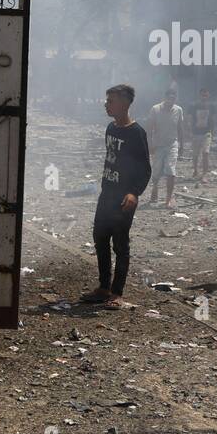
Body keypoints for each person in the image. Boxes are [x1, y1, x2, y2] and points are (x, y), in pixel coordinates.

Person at [82, 83, 151, 308]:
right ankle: (103, 287)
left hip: (124, 197)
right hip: (107, 193)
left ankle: (117, 292)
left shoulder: (136, 133)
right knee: (100, 238)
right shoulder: (111, 128)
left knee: (120, 244)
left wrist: (134, 193)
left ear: (124, 103)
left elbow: (145, 168)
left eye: (110, 101)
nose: (106, 105)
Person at [146, 86, 185, 206]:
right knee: (157, 171)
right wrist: (150, 144)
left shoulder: (178, 110)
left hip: (172, 144)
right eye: (169, 98)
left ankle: (168, 198)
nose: (171, 100)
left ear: (175, 99)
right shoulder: (155, 109)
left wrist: (182, 145)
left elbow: (180, 128)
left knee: (170, 170)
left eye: (173, 98)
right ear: (165, 98)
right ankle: (155, 188)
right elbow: (149, 128)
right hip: (158, 145)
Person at [189, 88, 215, 183]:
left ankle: (204, 174)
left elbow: (212, 119)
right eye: (202, 95)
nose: (204, 97)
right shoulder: (193, 106)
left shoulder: (211, 106)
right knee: (195, 154)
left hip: (206, 133)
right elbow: (190, 119)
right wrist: (190, 131)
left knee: (205, 153)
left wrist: (213, 132)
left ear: (208, 96)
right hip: (196, 133)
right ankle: (195, 170)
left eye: (206, 95)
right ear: (199, 95)